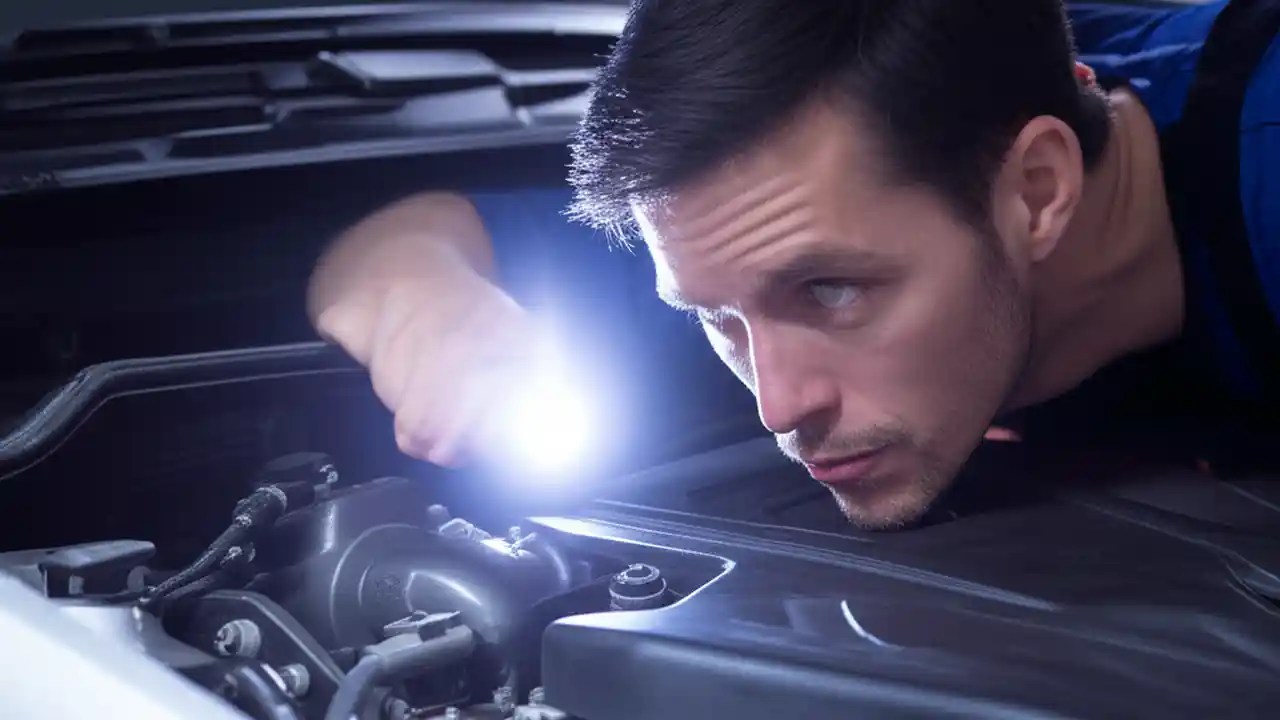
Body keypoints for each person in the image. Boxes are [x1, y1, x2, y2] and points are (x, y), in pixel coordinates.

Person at [306, 0, 1280, 531]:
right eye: (714, 318)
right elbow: (391, 246)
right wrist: (438, 315)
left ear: (1033, 189)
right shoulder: (762, 233)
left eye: (829, 290)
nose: (776, 405)